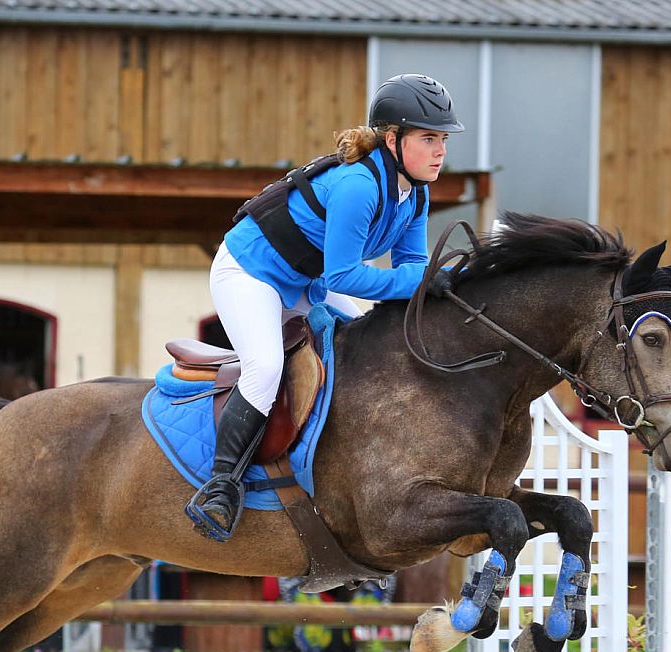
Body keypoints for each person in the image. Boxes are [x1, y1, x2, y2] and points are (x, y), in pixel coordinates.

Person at [185, 73, 464, 541]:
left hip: (302, 280)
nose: (441, 151)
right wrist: (422, 279)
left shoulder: (415, 190)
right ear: (392, 139)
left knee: (365, 346)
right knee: (266, 365)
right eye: (429, 138)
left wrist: (429, 281)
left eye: (443, 140)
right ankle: (221, 487)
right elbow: (345, 277)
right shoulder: (360, 185)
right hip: (250, 272)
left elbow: (413, 264)